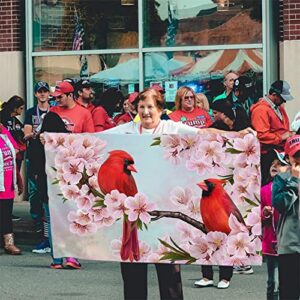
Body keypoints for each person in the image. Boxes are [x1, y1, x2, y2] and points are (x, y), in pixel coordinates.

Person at [104, 88, 255, 299]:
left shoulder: (171, 127)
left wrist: (236, 135)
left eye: (150, 107)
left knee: (169, 272)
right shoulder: (126, 130)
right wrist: (53, 140)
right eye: (142, 107)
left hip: (165, 208)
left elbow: (204, 134)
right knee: (132, 273)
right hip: (134, 208)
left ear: (160, 109)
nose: (146, 112)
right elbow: (91, 138)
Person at [37, 112, 74, 269]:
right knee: (70, 221)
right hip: (67, 187)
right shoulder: (69, 141)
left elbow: (34, 168)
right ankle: (72, 257)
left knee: (53, 223)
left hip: (46, 187)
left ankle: (57, 260)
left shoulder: (39, 143)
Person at [251, 80, 295, 185]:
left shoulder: (278, 107)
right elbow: (261, 135)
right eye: (282, 98)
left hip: (279, 153)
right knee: (270, 184)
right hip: (267, 155)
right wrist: (282, 136)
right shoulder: (261, 110)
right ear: (274, 95)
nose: (284, 101)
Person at [272, 135, 300, 300]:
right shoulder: (282, 178)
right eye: (295, 155)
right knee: (289, 293)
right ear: (287, 157)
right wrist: (295, 180)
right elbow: (281, 205)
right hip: (290, 244)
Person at [24, 81, 51, 246]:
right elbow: (26, 134)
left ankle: (50, 233)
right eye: (39, 92)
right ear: (35, 94)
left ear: (49, 94)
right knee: (35, 193)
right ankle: (39, 229)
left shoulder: (53, 111)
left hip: (49, 156)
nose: (42, 94)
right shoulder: (30, 112)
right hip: (34, 156)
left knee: (49, 194)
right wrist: (36, 133)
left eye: (45, 91)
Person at [261, 150, 289, 300]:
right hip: (270, 242)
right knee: (272, 281)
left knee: (287, 281)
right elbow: (256, 216)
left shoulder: (291, 188)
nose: (274, 166)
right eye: (273, 164)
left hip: (288, 243)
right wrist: (264, 213)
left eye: (279, 164)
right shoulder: (264, 190)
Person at [0, 121, 22, 255]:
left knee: (6, 214)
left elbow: (16, 150)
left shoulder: (4, 134)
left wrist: (19, 179)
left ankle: (9, 243)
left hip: (7, 182)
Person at [1, 95, 25, 171]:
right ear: (15, 108)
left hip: (16, 154)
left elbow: (22, 134)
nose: (22, 110)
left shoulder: (15, 120)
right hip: (4, 154)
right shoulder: (2, 117)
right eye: (21, 108)